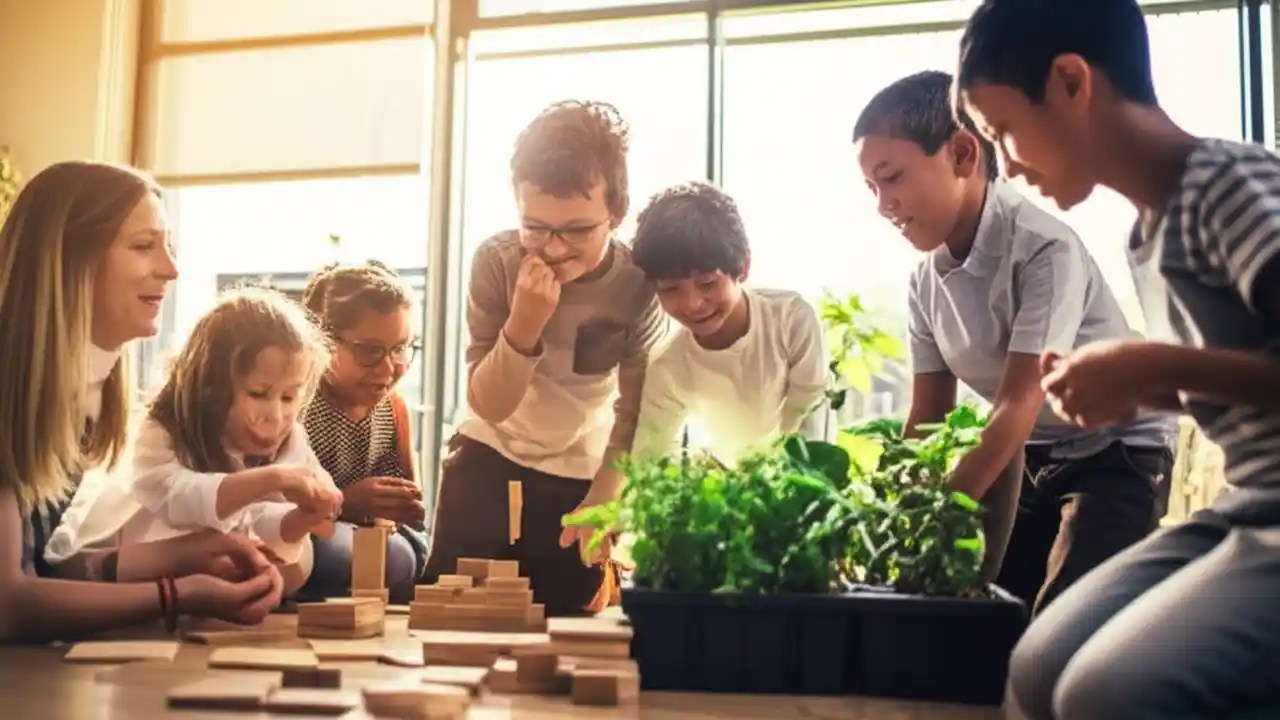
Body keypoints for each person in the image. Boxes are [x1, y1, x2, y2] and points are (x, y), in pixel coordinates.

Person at [955, 1, 1280, 718]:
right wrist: (1141, 392)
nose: (1006, 164)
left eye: (1004, 131)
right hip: (1248, 508)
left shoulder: (1225, 185)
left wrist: (1157, 369)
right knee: (1037, 662)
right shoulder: (1146, 237)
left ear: (1072, 82)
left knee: (1107, 691)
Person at [853, 70, 1177, 606]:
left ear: (962, 154)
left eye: (892, 178)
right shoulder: (923, 282)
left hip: (1118, 452)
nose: (883, 204)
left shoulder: (1044, 249)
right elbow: (928, 417)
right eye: (871, 187)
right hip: (1035, 454)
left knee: (1058, 620)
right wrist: (892, 503)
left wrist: (936, 513)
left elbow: (1017, 403)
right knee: (996, 613)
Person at [0, 162, 284, 641]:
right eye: (142, 246)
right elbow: (8, 604)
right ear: (71, 261)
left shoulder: (76, 402)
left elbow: (46, 569)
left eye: (168, 246)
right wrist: (180, 594)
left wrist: (186, 555)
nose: (171, 269)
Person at [424, 100, 666, 615]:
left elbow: (637, 408)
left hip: (578, 467)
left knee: (566, 618)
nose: (553, 248)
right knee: (452, 610)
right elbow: (488, 404)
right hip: (488, 451)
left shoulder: (639, 282)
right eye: (536, 227)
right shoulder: (497, 260)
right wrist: (524, 323)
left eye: (577, 230)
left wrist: (608, 493)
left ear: (615, 214)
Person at [118, 287, 343, 597]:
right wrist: (271, 478)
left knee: (303, 558)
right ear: (210, 387)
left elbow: (260, 521)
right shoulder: (162, 429)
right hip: (152, 567)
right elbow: (173, 496)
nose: (276, 416)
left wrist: (304, 516)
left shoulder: (291, 439)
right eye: (258, 394)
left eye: (290, 397)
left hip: (232, 565)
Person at [629, 181, 825, 464]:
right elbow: (648, 462)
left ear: (743, 268)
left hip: (802, 485)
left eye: (707, 284)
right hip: (736, 490)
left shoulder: (791, 319)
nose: (692, 303)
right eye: (672, 289)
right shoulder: (669, 367)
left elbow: (810, 430)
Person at [298, 261, 429, 602]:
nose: (388, 368)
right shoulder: (295, 405)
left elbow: (404, 516)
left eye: (400, 348)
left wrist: (399, 508)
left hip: (371, 537)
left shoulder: (391, 408)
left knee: (414, 553)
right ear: (322, 341)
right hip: (306, 534)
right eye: (370, 351)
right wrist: (345, 503)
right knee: (343, 554)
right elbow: (264, 508)